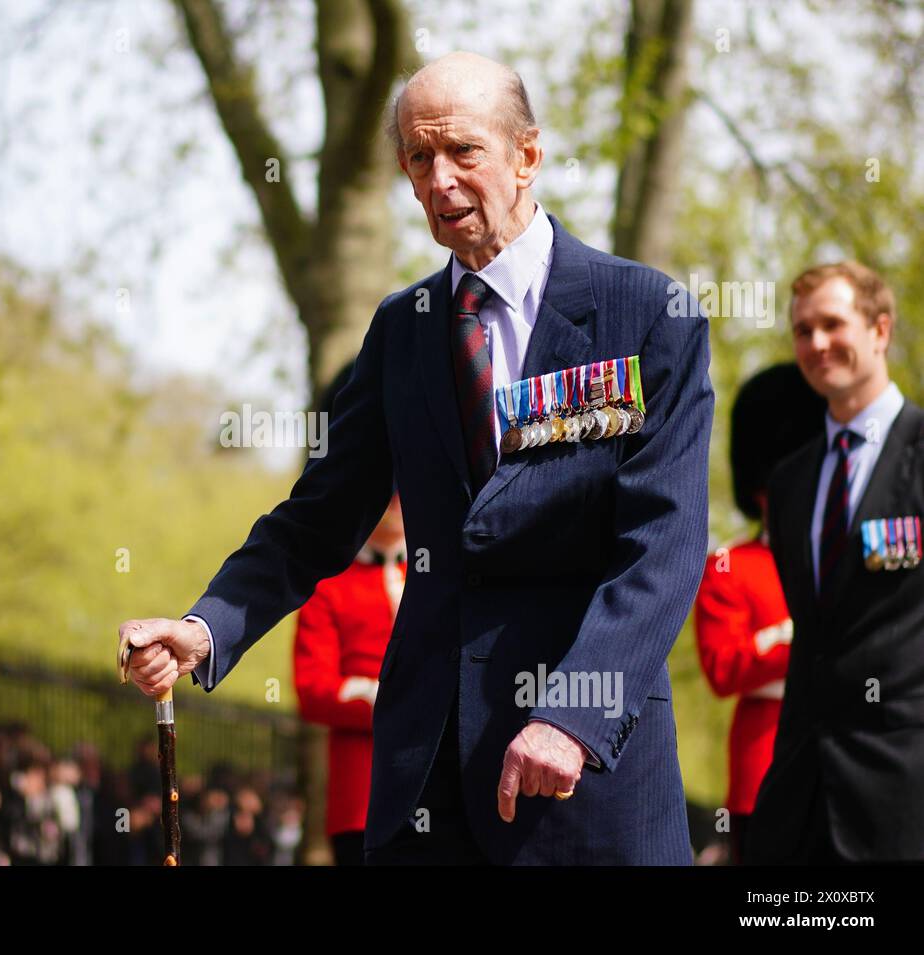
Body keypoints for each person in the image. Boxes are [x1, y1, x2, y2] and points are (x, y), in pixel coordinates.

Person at [119, 51, 712, 864]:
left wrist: (571, 717)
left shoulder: (646, 315)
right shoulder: (405, 328)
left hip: (584, 773)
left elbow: (664, 544)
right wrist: (206, 627)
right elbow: (318, 516)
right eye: (418, 157)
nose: (440, 180)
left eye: (463, 151)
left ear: (526, 154)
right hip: (426, 779)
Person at [749, 262, 924, 863]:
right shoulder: (790, 482)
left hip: (902, 793)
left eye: (832, 324)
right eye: (802, 330)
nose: (817, 344)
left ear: (879, 330)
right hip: (797, 794)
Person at [693, 364, 824, 862]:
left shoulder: (843, 561)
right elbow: (724, 669)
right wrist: (797, 644)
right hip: (764, 767)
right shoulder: (730, 568)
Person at [294, 470, 404, 865]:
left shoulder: (437, 576)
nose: (395, 504)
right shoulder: (329, 586)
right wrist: (392, 699)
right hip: (362, 796)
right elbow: (313, 690)